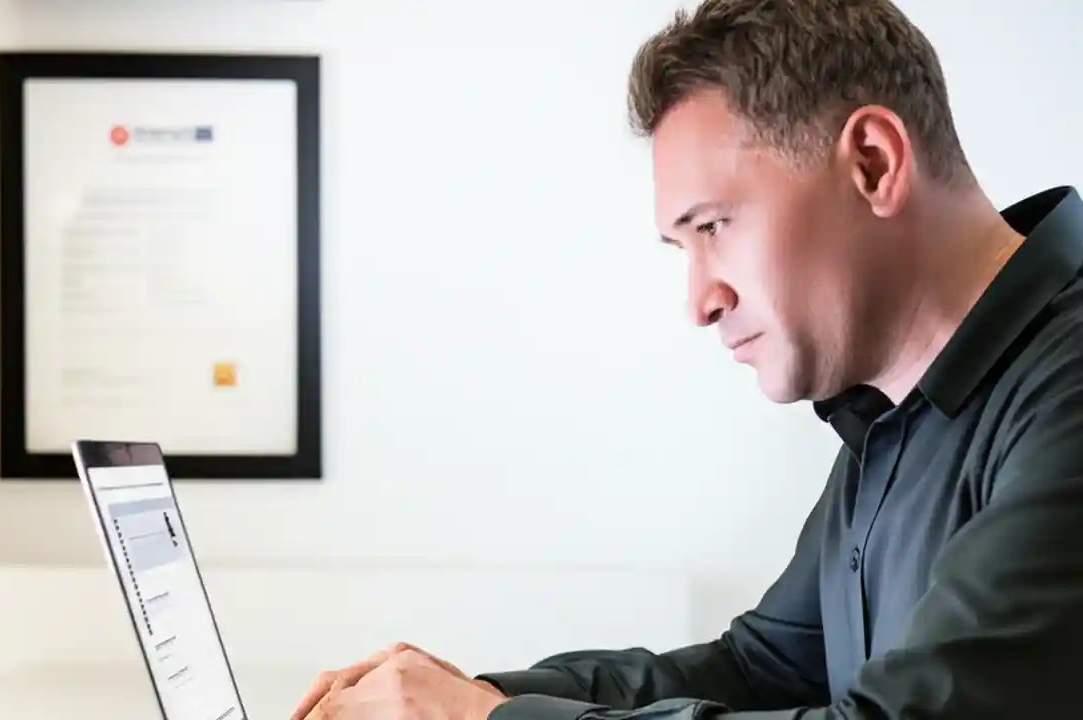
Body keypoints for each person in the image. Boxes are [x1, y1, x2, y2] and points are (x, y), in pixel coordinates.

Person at [292, 0, 1083, 717]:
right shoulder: (891, 416)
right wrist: (477, 693)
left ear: (872, 163)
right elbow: (762, 666)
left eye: (713, 228)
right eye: (683, 246)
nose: (700, 299)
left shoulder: (1066, 388)